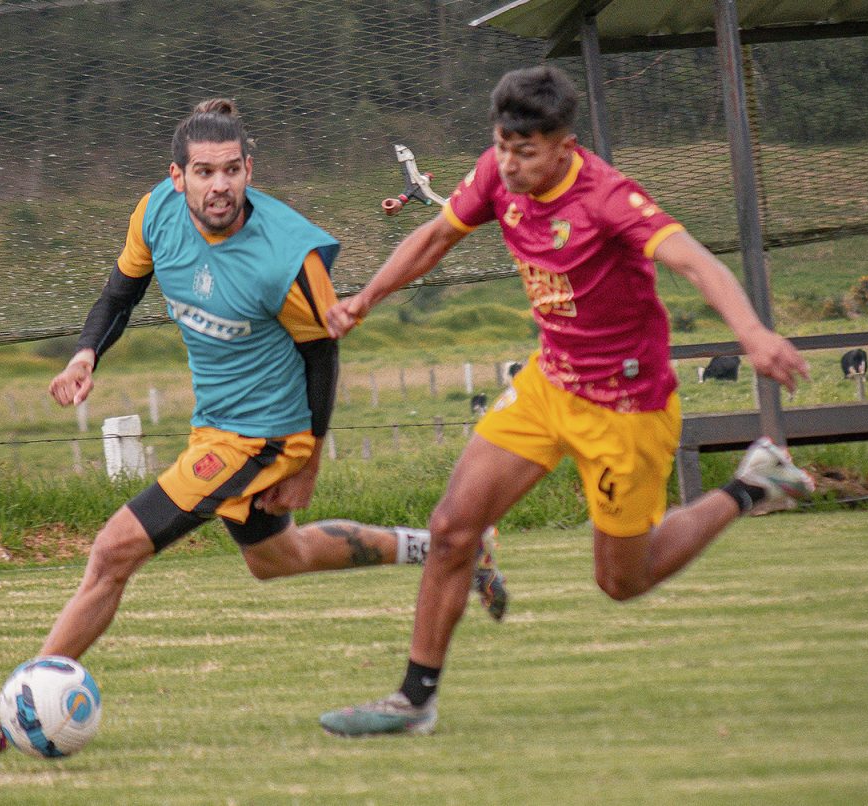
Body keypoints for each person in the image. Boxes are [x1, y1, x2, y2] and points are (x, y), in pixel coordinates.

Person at [0, 98, 504, 754]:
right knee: (276, 559)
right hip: (215, 427)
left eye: (232, 170)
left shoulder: (287, 256)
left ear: (249, 171)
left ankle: (9, 713)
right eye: (204, 172)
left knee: (114, 550)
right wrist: (86, 352)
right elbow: (120, 293)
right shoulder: (155, 214)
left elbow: (322, 355)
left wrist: (308, 460)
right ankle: (449, 550)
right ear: (177, 176)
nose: (220, 185)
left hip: (265, 436)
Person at [318, 65, 815, 737]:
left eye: (525, 152)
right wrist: (365, 299)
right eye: (502, 146)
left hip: (625, 407)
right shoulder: (495, 175)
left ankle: (753, 485)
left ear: (564, 147)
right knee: (452, 528)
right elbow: (435, 236)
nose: (509, 164)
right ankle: (414, 702)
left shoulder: (607, 198)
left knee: (621, 581)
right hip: (549, 384)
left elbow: (697, 262)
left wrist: (753, 335)